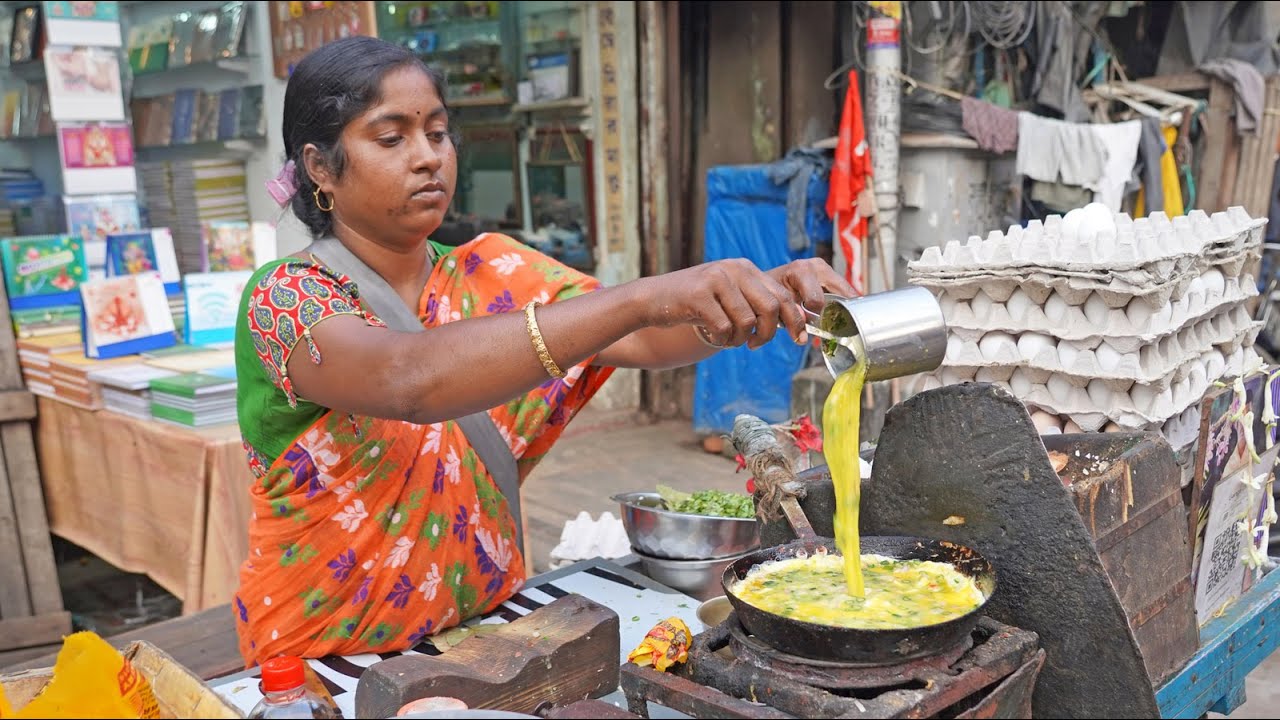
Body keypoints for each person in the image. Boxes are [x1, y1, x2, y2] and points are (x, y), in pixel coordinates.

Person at [233, 35, 855, 667]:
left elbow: (637, 336)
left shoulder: (495, 271)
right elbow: (407, 378)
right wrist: (643, 295)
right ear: (320, 167)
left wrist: (761, 294)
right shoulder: (286, 298)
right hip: (319, 663)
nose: (428, 158)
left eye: (439, 133)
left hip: (484, 638)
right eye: (391, 138)